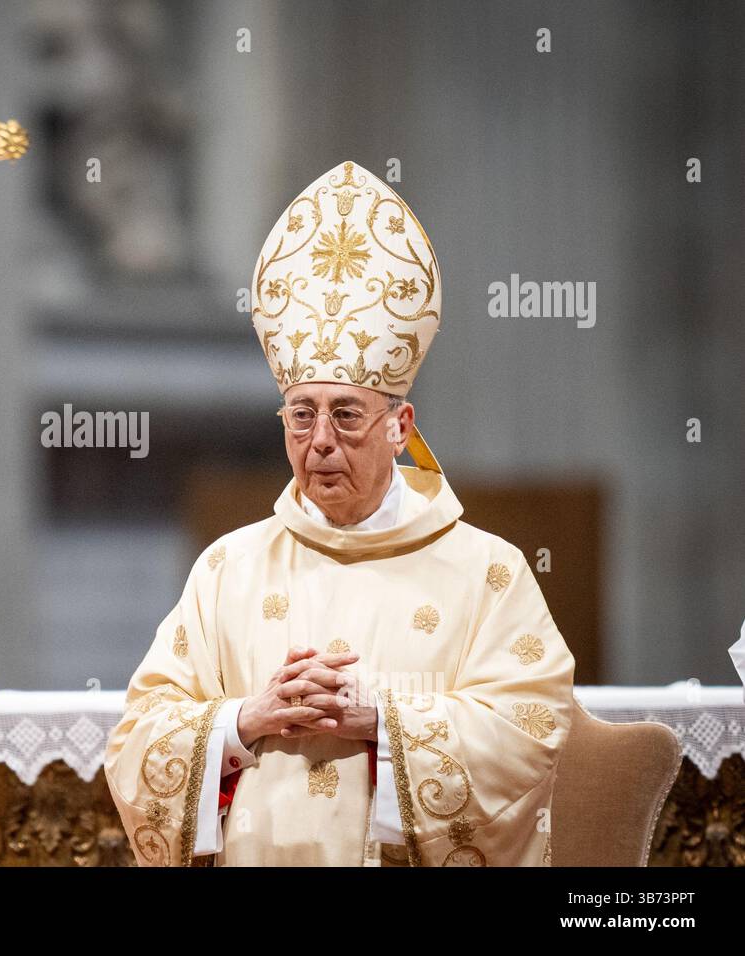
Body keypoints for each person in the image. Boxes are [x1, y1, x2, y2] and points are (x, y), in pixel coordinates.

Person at [104, 161, 575, 866]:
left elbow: (532, 729)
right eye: (301, 415)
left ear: (400, 425)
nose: (321, 440)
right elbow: (138, 738)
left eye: (346, 414)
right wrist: (244, 720)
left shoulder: (488, 572)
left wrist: (382, 720)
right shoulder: (228, 568)